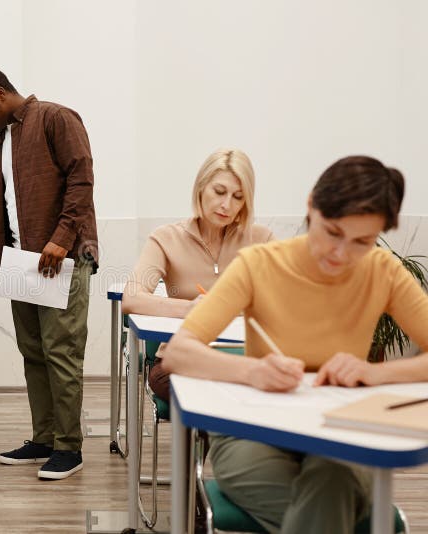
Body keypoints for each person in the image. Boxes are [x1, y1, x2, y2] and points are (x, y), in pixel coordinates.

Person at [164, 155, 428, 533]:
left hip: (340, 431)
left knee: (332, 475)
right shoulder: (259, 264)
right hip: (254, 430)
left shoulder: (383, 271)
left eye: (363, 242)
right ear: (311, 206)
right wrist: (253, 371)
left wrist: (374, 372)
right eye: (333, 232)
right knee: (334, 501)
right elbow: (179, 352)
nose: (342, 253)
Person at [0, 66, 98, 480]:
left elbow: (81, 180)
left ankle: (69, 448)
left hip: (63, 257)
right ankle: (44, 438)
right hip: (21, 262)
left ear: (0, 93)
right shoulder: (0, 143)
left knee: (62, 352)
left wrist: (61, 238)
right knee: (34, 352)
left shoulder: (57, 118)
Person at [122, 148, 274, 399]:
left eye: (238, 197)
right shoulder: (166, 238)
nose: (227, 205)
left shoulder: (261, 239)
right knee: (209, 392)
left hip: (244, 356)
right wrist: (190, 309)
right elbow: (132, 298)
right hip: (184, 359)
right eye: (219, 192)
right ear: (201, 187)